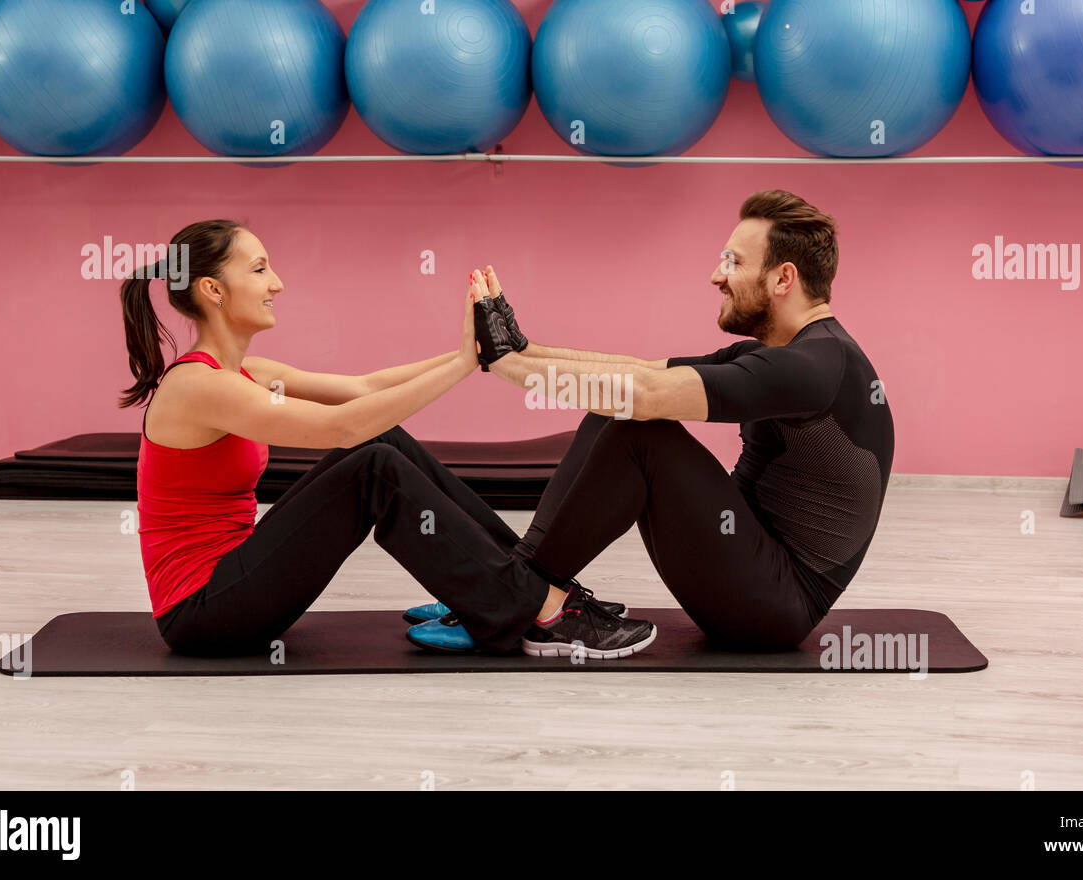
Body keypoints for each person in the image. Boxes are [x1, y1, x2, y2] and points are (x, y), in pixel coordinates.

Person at [119, 219, 656, 660]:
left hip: (235, 578)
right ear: (213, 289)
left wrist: (487, 351)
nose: (277, 282)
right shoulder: (197, 387)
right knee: (372, 461)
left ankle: (524, 580)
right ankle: (540, 610)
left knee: (386, 441)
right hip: (204, 614)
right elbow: (344, 425)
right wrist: (469, 362)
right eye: (259, 269)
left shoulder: (245, 372)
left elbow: (364, 389)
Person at [423, 190, 894, 651]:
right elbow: (641, 371)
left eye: (733, 262)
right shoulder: (789, 354)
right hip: (750, 564)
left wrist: (504, 365)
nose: (716, 276)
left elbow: (645, 396)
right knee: (613, 405)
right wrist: (525, 348)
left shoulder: (812, 368)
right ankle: (522, 580)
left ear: (783, 278)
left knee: (640, 428)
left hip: (775, 607)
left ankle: (514, 595)